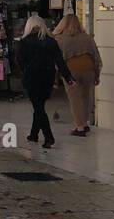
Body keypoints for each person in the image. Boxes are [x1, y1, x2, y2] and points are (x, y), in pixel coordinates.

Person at [18, 13, 74, 149]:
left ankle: (48, 137)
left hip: (32, 77)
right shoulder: (51, 41)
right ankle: (33, 134)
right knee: (39, 105)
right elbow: (59, 61)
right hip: (47, 76)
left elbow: (20, 61)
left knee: (38, 107)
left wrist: (24, 71)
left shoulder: (24, 42)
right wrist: (68, 77)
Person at [53, 13, 101, 136]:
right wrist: (97, 74)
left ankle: (79, 127)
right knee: (86, 97)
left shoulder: (59, 39)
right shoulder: (87, 38)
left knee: (75, 99)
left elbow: (57, 59)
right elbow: (96, 57)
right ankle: (85, 123)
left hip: (71, 71)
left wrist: (56, 77)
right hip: (88, 70)